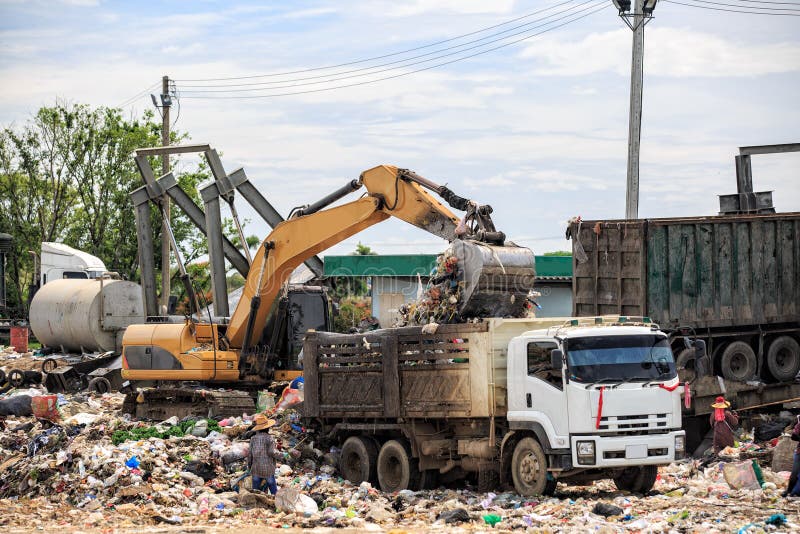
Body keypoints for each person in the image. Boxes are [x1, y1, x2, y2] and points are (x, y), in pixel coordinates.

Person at [248, 413, 282, 494]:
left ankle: (255, 502)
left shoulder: (253, 439)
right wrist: (282, 455)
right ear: (268, 428)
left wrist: (249, 466)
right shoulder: (270, 438)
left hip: (256, 468)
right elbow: (272, 452)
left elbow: (250, 455)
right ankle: (276, 502)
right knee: (273, 488)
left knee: (255, 490)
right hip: (268, 469)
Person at [784, 415, 800, 497]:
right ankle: (789, 491)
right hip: (799, 452)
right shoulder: (798, 425)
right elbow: (794, 436)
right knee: (794, 473)